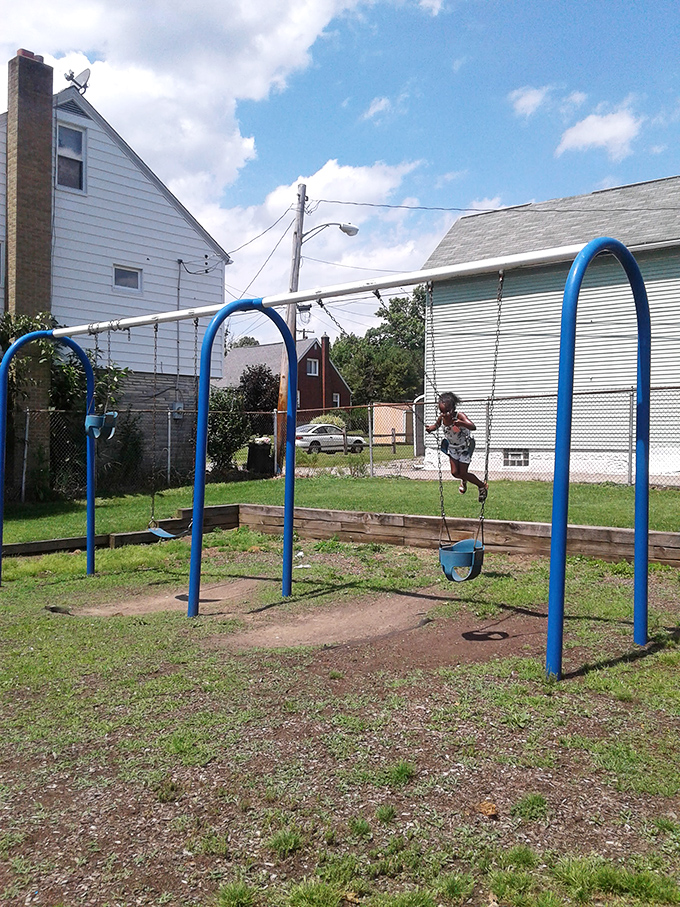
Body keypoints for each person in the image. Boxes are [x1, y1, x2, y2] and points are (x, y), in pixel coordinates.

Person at [426, 391, 488, 502]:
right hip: (452, 447)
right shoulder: (441, 418)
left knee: (463, 472)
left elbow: (473, 427)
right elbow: (436, 425)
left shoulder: (460, 415)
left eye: (447, 411)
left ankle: (481, 486)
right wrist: (431, 428)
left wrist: (461, 423)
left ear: (453, 408)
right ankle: (464, 481)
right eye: (442, 412)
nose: (445, 414)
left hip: (465, 447)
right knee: (455, 473)